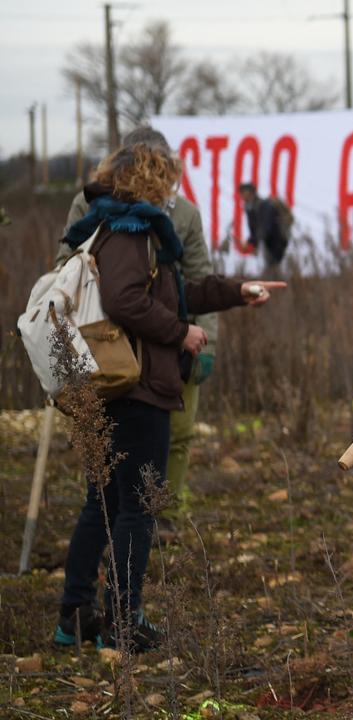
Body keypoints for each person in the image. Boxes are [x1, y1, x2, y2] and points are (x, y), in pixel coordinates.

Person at [54, 141, 285, 654]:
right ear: (150, 180)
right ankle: (121, 621)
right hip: (135, 388)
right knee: (136, 508)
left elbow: (169, 292)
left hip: (110, 385)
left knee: (105, 505)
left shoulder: (111, 224)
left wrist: (235, 292)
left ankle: (76, 620)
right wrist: (181, 334)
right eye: (168, 179)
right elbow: (125, 299)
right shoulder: (132, 230)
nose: (174, 190)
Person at [63, 127, 215, 514]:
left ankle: (161, 516)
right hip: (104, 343)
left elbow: (198, 278)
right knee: (105, 441)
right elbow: (65, 268)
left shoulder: (184, 214)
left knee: (176, 436)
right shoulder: (90, 204)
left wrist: (206, 337)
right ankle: (107, 521)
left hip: (171, 344)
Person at [238, 183, 291, 269]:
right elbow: (254, 230)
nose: (242, 196)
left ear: (251, 193)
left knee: (275, 271)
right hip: (267, 244)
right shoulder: (249, 208)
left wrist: (253, 242)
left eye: (244, 193)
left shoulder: (265, 206)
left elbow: (266, 229)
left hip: (277, 242)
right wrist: (250, 242)